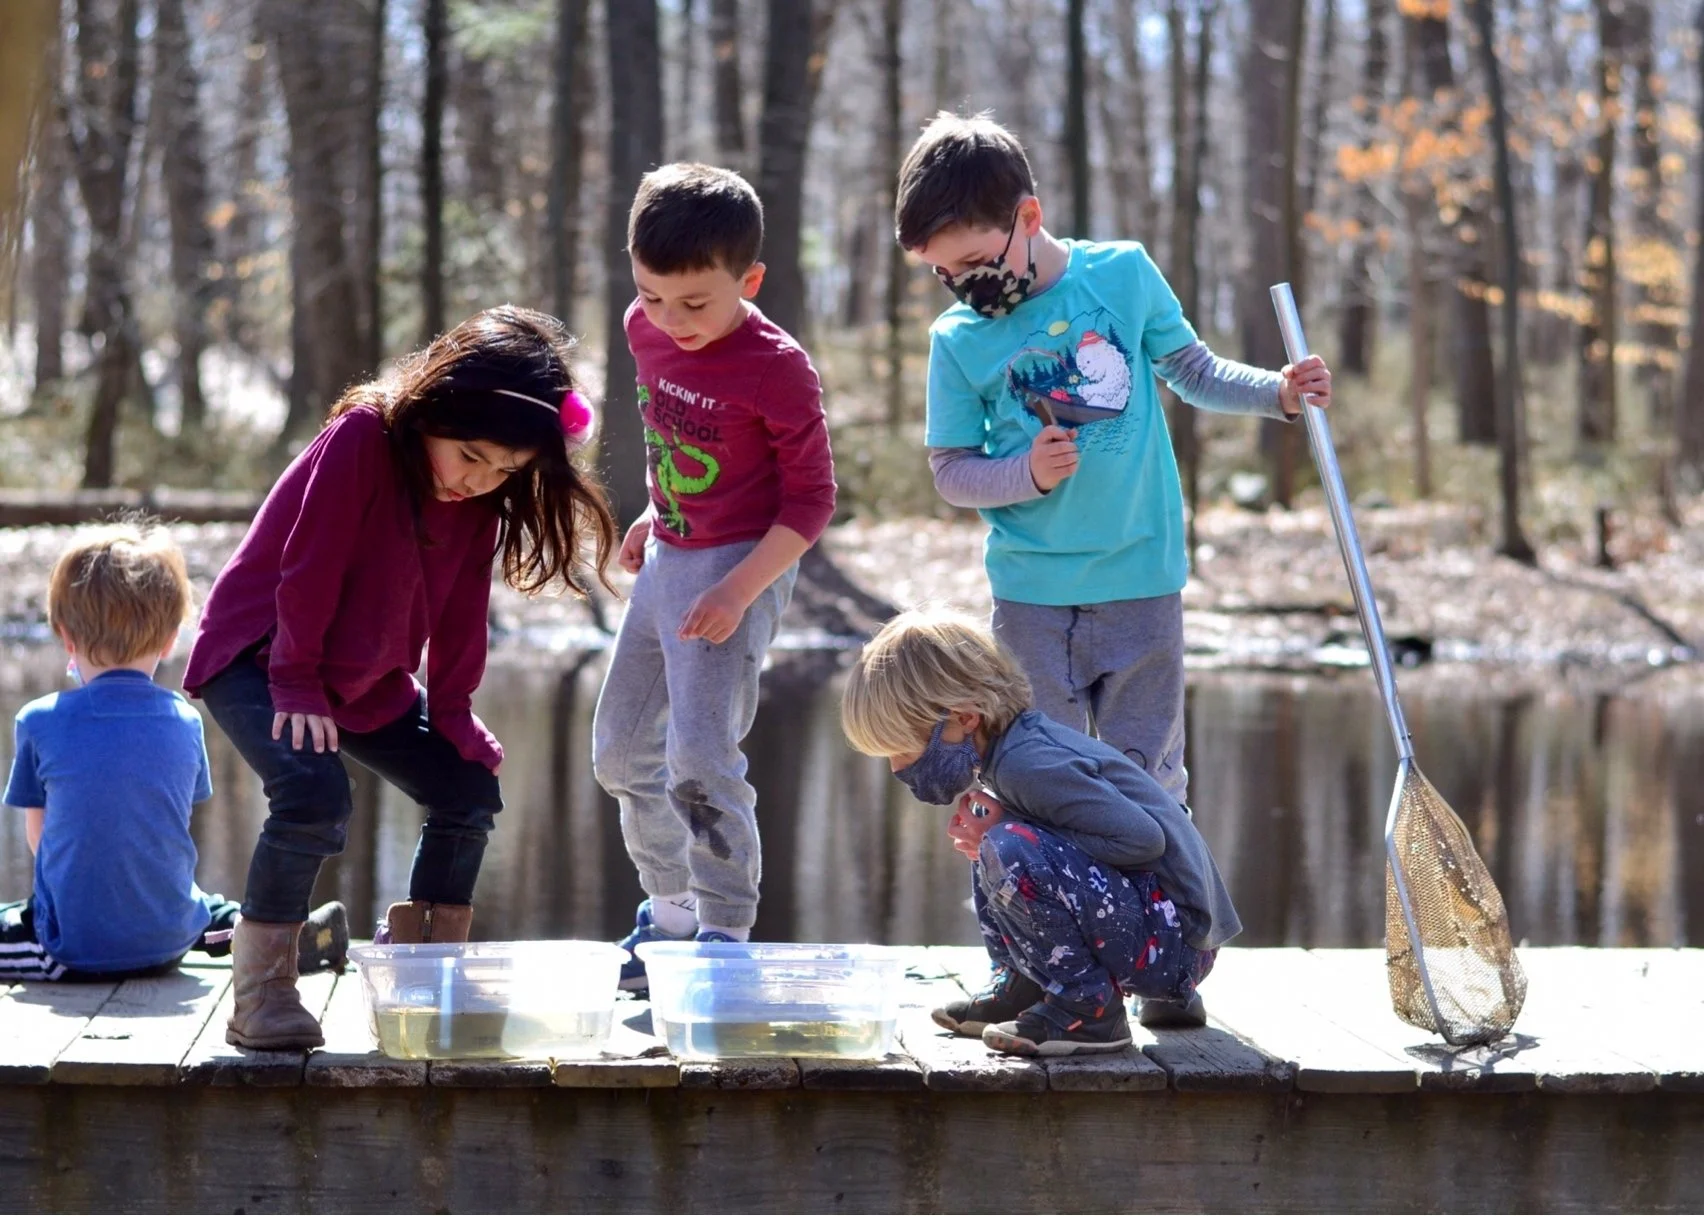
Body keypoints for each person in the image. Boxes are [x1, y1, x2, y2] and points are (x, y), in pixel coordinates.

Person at [183, 305, 617, 1050]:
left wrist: (452, 712)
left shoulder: (478, 499)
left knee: (467, 788)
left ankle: (425, 973)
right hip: (264, 656)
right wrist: (295, 683)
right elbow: (307, 567)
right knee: (314, 796)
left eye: (504, 472)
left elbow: (459, 609)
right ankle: (262, 998)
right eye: (470, 455)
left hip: (362, 675)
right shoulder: (364, 440)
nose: (478, 481)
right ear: (430, 413)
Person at [894, 111, 1334, 828]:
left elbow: (1192, 370)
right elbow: (950, 471)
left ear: (1027, 217)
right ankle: (1058, 933)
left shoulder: (1121, 275)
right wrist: (1024, 474)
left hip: (1141, 579)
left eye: (974, 263)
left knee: (1148, 782)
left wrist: (1278, 392)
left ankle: (1168, 926)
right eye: (943, 273)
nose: (962, 285)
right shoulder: (957, 340)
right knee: (1038, 778)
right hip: (1033, 594)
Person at [592, 163, 836, 989]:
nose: (671, 320)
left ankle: (725, 931)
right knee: (620, 753)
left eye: (696, 302)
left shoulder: (778, 367)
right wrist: (652, 516)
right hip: (670, 552)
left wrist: (740, 589)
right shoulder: (641, 327)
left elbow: (811, 503)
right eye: (653, 296)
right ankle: (670, 915)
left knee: (700, 754)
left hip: (741, 565)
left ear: (750, 280)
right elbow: (677, 444)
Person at [842, 609, 1241, 1057]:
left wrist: (1010, 828)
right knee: (997, 840)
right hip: (1156, 927)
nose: (898, 767)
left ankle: (1088, 1011)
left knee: (1008, 844)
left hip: (1175, 946)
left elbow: (1143, 841)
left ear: (965, 717)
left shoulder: (1029, 764)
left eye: (902, 748)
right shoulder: (1010, 754)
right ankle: (1025, 984)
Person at [1, 523, 345, 982]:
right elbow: (162, 830)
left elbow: (41, 842)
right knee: (206, 905)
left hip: (74, 949)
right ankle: (271, 938)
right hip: (170, 940)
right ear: (169, 640)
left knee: (20, 917)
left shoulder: (37, 721)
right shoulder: (185, 721)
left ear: (66, 636)